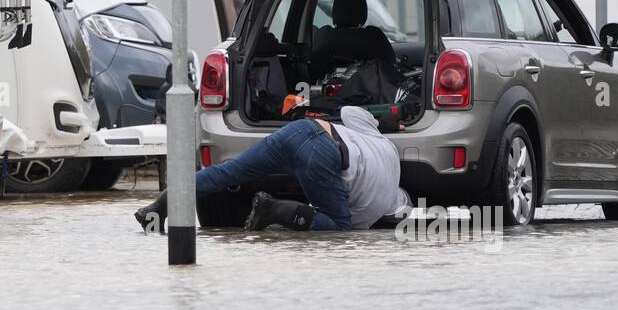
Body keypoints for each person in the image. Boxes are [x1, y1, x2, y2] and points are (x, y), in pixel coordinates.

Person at [135, 106, 411, 232]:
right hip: (323, 154)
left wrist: (383, 120)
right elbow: (334, 216)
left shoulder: (381, 140)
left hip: (301, 129)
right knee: (339, 227)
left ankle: (156, 210)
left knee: (227, 173)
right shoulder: (377, 209)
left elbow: (351, 111)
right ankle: (272, 209)